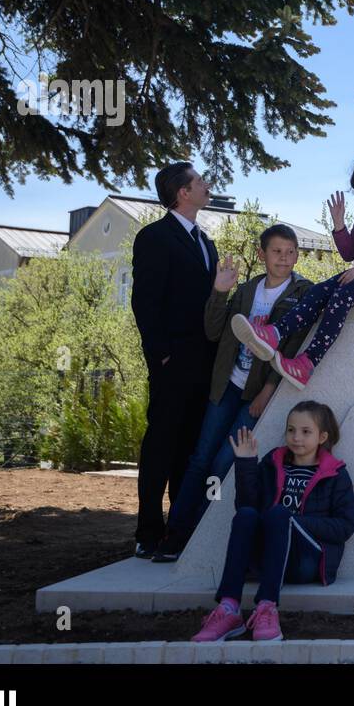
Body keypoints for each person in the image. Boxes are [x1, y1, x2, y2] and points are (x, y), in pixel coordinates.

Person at [151, 225, 315, 562]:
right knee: (200, 460)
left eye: (290, 251)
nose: (284, 258)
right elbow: (213, 331)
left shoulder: (302, 293)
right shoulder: (245, 292)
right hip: (226, 386)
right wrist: (219, 293)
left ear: (297, 255)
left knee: (225, 462)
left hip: (254, 394)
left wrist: (269, 390)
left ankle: (196, 536)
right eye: (276, 251)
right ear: (262, 255)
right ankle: (175, 534)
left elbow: (293, 346)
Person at [233, 148, 354, 389]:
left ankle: (307, 363)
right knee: (319, 291)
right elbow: (348, 253)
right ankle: (273, 334)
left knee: (342, 296)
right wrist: (339, 225)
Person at [192, 401, 354, 643]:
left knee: (279, 514)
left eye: (305, 431)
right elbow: (247, 505)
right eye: (291, 430)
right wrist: (246, 464)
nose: (296, 437)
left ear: (322, 437)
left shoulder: (335, 474)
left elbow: (345, 526)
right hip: (266, 558)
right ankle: (229, 609)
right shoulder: (273, 462)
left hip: (305, 562)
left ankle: (267, 607)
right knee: (246, 515)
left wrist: (294, 522)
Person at [129, 162, 218, 558]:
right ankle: (148, 533)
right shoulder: (154, 237)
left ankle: (178, 531)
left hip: (206, 363)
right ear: (183, 192)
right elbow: (144, 302)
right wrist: (161, 355)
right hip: (172, 362)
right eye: (199, 181)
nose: (206, 185)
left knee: (190, 448)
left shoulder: (207, 242)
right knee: (161, 445)